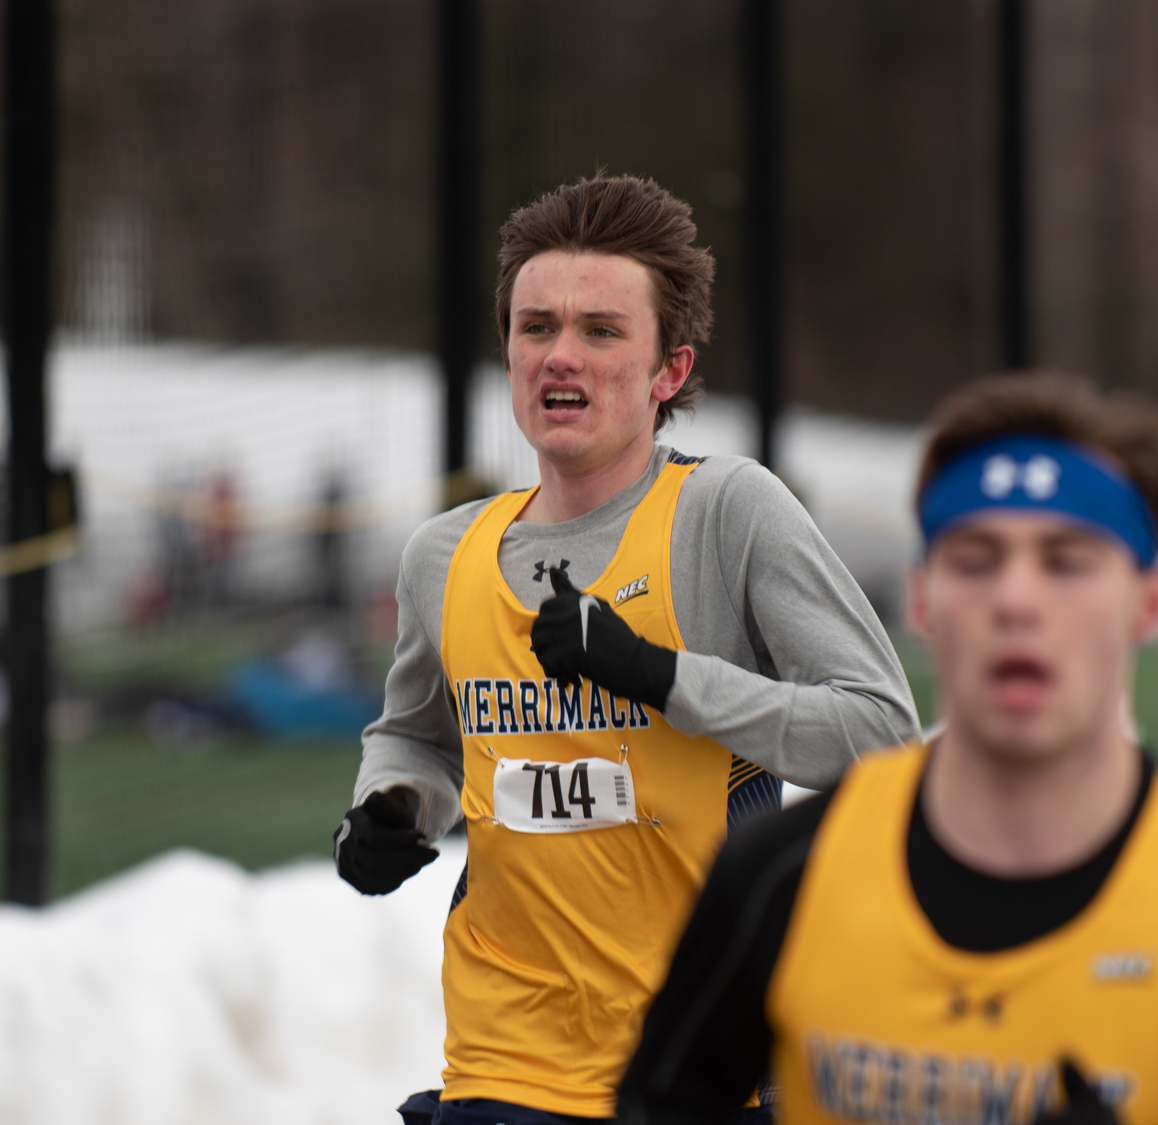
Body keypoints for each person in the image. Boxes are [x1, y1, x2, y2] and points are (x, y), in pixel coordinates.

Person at [619, 374, 1158, 1125]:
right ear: (921, 598)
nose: (1017, 600)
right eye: (977, 558)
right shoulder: (782, 875)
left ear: (1149, 600)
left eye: (1066, 560)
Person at [335, 174, 919, 1125]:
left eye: (601, 331)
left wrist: (656, 673)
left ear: (668, 372)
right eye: (537, 327)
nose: (561, 355)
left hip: (698, 1062)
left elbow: (882, 733)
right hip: (502, 1061)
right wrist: (389, 809)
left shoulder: (727, 514)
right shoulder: (443, 554)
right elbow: (419, 740)